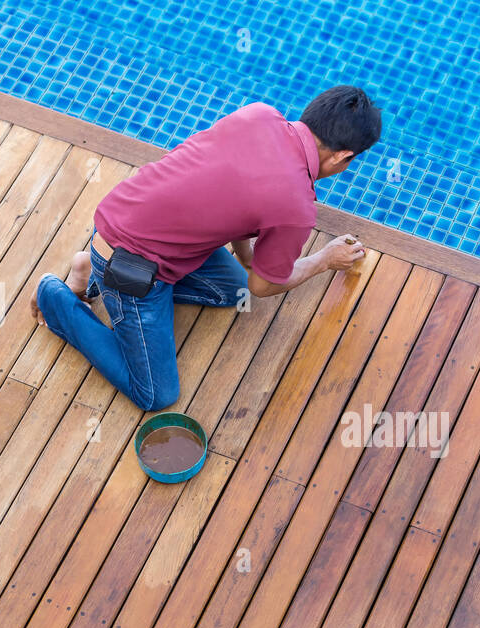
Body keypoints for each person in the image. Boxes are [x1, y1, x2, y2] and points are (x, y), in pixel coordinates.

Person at [31, 85, 381, 411]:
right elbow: (264, 286)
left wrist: (246, 257)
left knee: (234, 290)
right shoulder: (296, 207)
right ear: (343, 157)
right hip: (131, 268)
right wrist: (324, 260)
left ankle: (90, 270)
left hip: (125, 213)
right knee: (155, 393)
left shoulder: (259, 115)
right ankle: (56, 295)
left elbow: (232, 190)